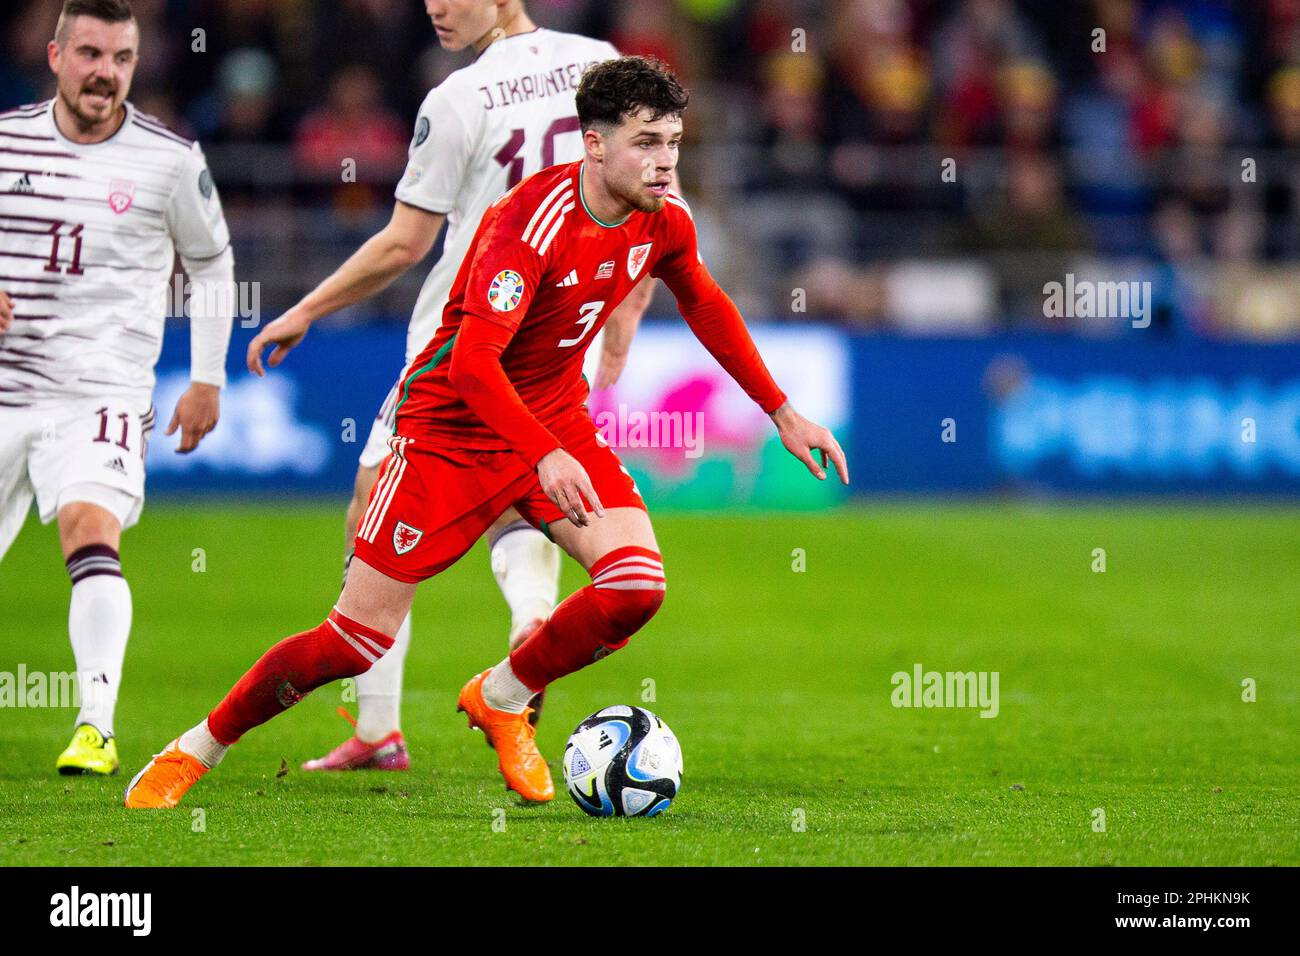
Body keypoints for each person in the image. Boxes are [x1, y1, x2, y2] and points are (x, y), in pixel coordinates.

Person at [124, 55, 846, 809]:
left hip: (553, 416)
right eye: (645, 143)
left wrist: (782, 411)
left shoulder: (664, 217)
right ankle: (194, 748)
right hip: (450, 430)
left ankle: (502, 695)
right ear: (594, 145)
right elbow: (472, 365)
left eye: (672, 141)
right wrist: (545, 454)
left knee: (635, 586)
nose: (664, 162)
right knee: (352, 642)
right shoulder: (529, 223)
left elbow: (705, 301)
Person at [245, 0, 655, 772]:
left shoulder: (457, 98)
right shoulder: (600, 59)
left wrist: (304, 308)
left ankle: (377, 728)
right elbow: (655, 200)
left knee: (373, 506)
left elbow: (405, 241)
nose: (433, 4)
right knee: (518, 482)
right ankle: (532, 612)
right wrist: (624, 318)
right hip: (564, 332)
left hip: (462, 342)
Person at [0, 0, 233, 775]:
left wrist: (206, 377)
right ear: (56, 54)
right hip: (5, 389)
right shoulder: (6, 143)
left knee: (88, 528)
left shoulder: (168, 159)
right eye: (92, 54)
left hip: (100, 391)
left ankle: (94, 726)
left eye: (122, 58)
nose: (106, 73)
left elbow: (211, 263)